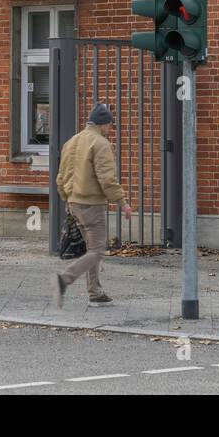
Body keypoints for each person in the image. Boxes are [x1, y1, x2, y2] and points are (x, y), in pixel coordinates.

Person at [53, 102, 133, 307]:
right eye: (110, 126)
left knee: (91, 249)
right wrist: (122, 202)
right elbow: (107, 179)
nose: (110, 129)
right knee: (97, 250)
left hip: (74, 203)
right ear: (104, 124)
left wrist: (66, 198)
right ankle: (64, 279)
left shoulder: (71, 142)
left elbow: (60, 177)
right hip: (92, 205)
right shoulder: (100, 143)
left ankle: (95, 292)